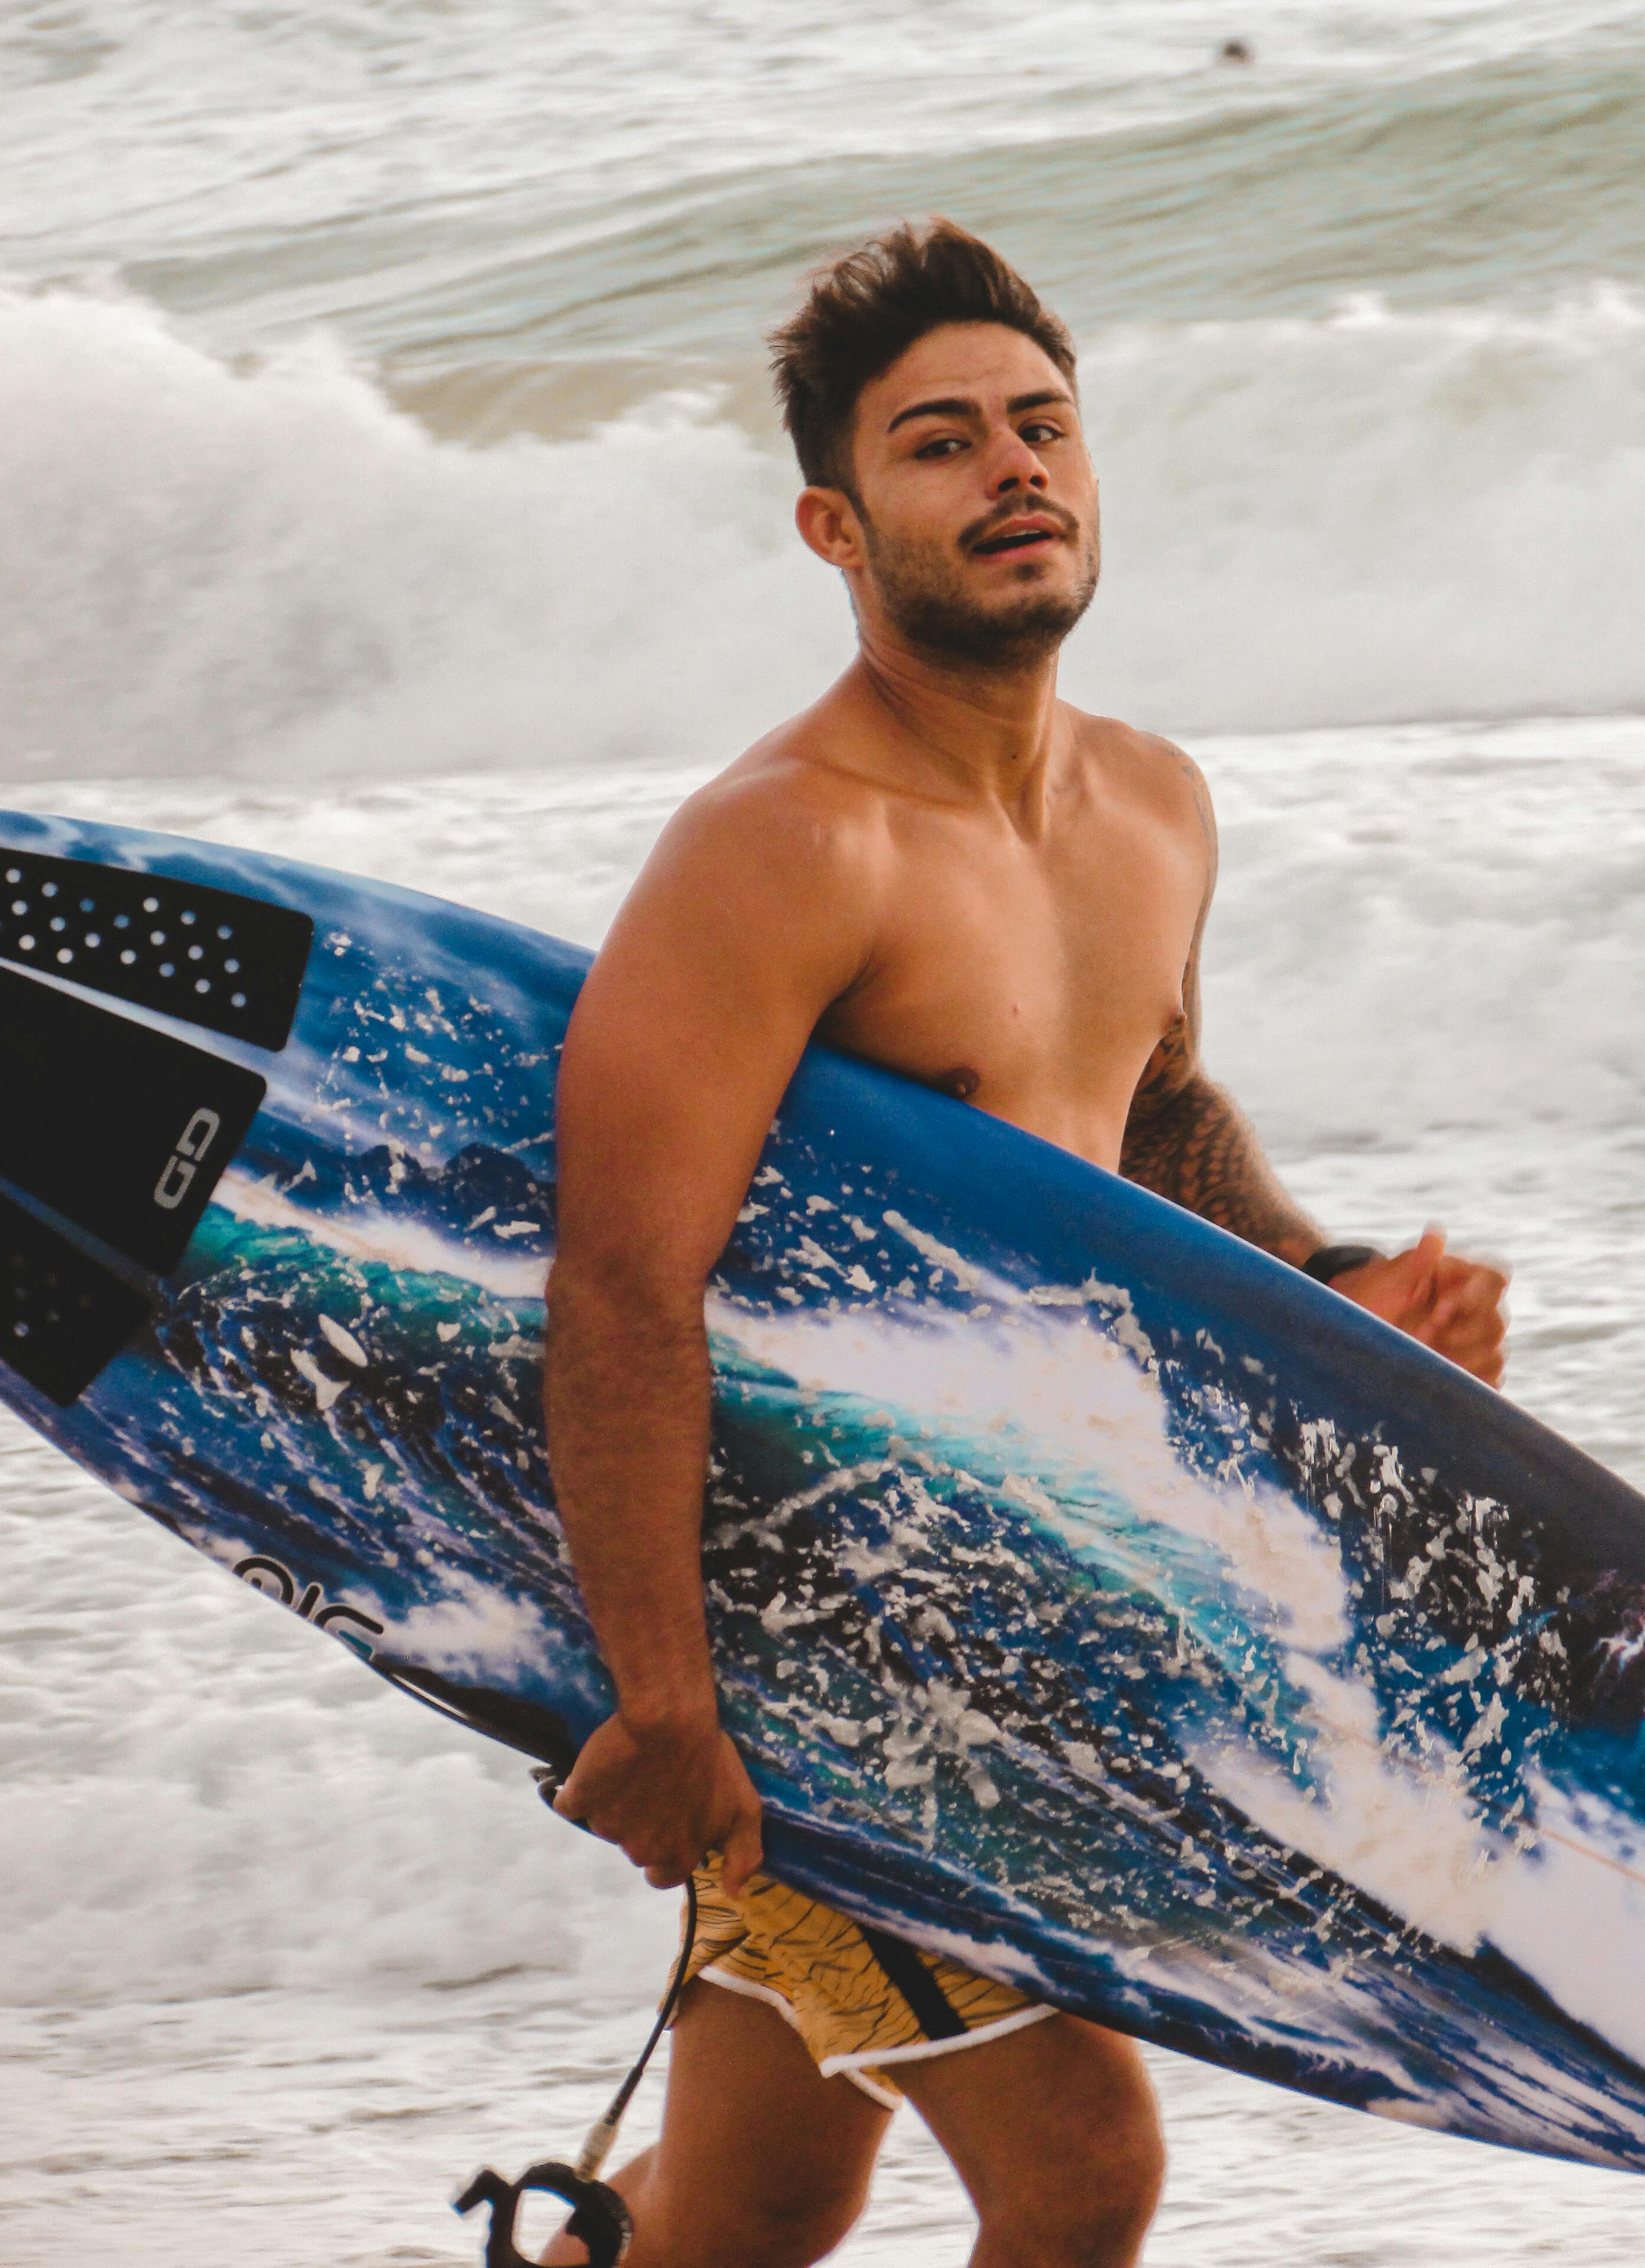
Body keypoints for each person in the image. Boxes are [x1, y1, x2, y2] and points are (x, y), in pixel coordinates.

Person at [543, 222, 1508, 2268]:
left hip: (1021, 1615)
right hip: (815, 1642)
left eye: (1041, 426)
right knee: (1080, 2174)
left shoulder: (1151, 805)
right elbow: (620, 1286)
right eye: (940, 442)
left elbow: (1145, 1127)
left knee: (754, 2204)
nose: (1012, 470)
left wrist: (1334, 1293)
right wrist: (663, 1699)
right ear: (834, 524)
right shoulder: (783, 847)